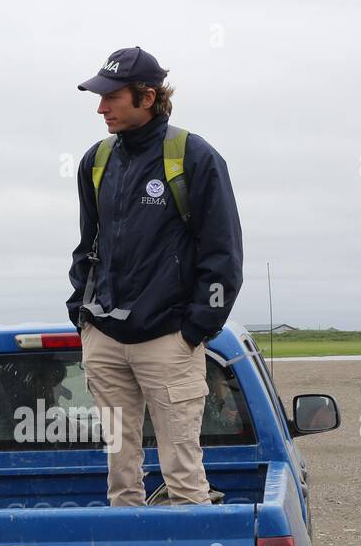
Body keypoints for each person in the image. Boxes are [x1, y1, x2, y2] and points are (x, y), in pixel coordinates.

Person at [68, 47, 244, 506]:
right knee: (120, 476)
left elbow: (223, 255)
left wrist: (194, 329)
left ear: (147, 97)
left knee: (183, 474)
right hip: (104, 336)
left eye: (111, 97)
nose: (101, 107)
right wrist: (82, 316)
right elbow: (89, 244)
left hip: (168, 339)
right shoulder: (96, 160)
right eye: (99, 96)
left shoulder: (194, 156)